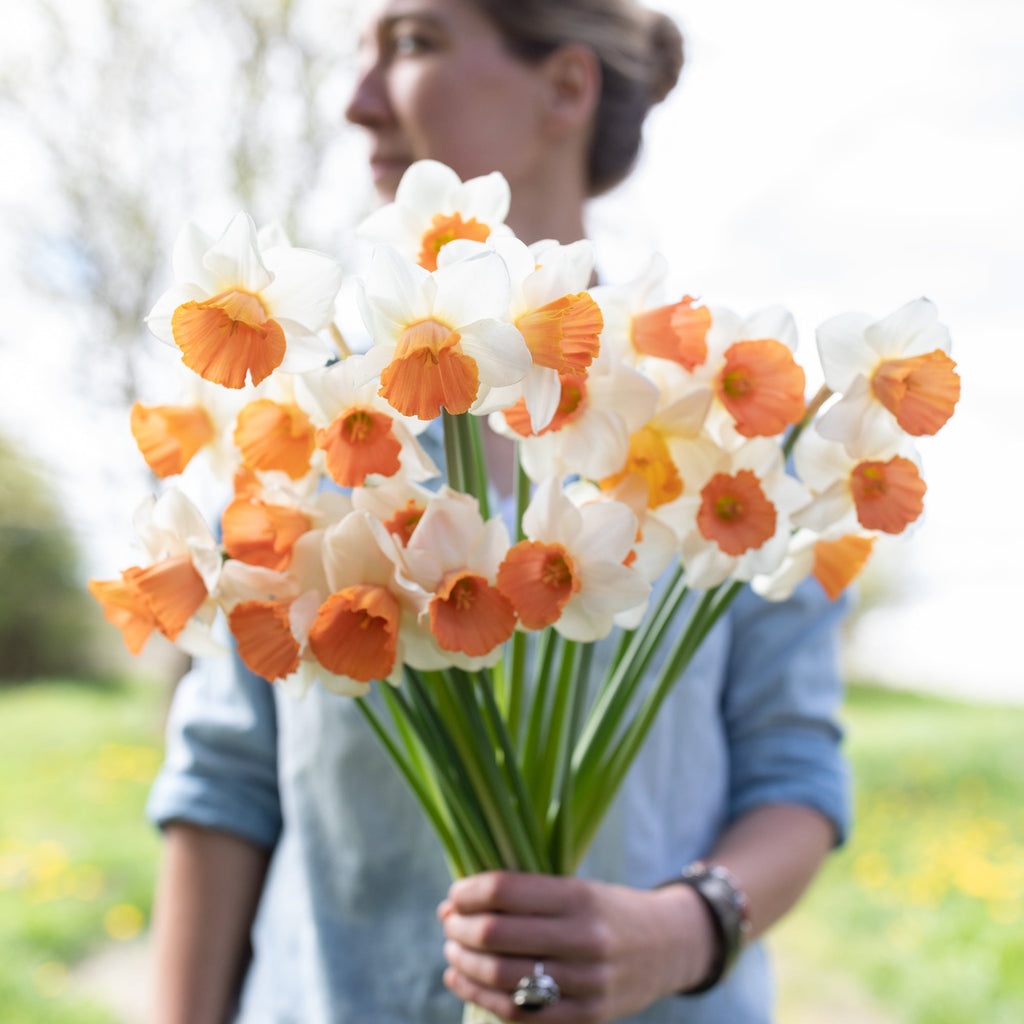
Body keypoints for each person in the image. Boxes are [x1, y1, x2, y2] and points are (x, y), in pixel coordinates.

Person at [147, 1, 851, 1022]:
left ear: (565, 86)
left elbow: (795, 772)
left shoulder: (730, 437)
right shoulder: (312, 430)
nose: (354, 103)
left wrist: (678, 932)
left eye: (412, 41)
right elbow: (222, 783)